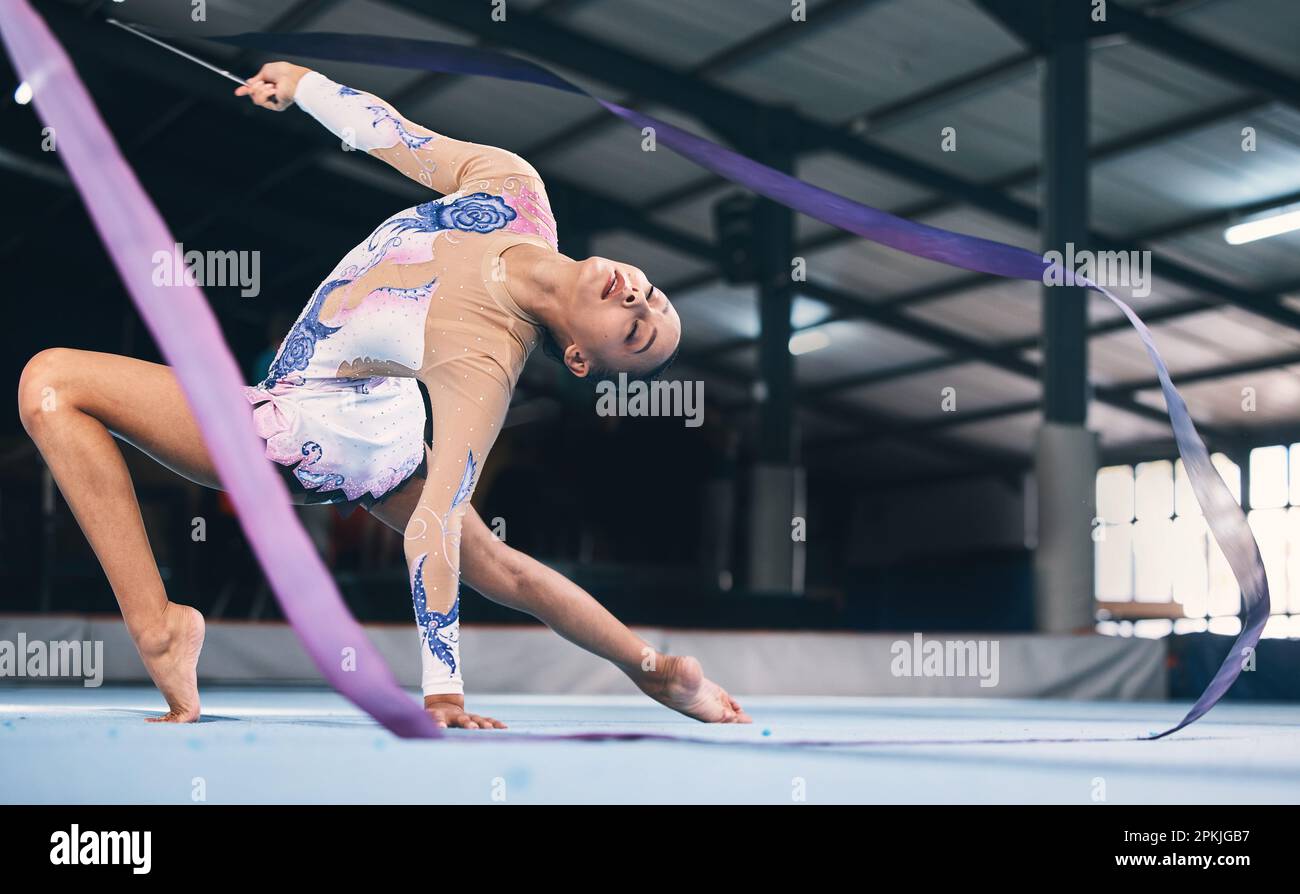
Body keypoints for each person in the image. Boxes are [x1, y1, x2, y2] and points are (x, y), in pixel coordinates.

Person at [17, 61, 749, 729]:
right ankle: (655, 670)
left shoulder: (486, 359)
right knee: (501, 566)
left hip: (302, 432)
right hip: (377, 420)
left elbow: (432, 528)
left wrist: (443, 693)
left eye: (638, 329)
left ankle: (158, 626)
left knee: (51, 383)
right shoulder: (513, 188)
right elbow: (392, 133)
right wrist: (303, 86)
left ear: (582, 357)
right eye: (650, 295)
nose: (639, 301)